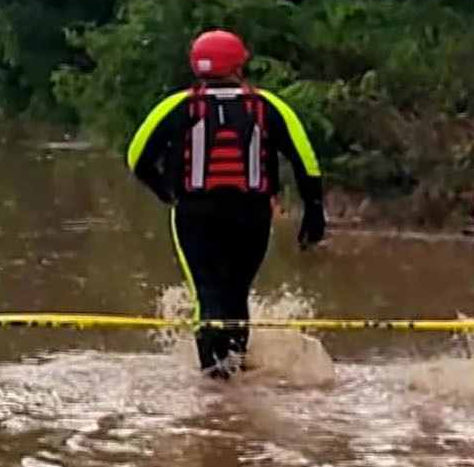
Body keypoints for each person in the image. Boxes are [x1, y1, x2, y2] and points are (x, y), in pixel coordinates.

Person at [127, 30, 326, 379]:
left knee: (206, 295)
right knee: (236, 293)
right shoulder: (269, 106)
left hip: (194, 213)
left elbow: (137, 158)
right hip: (251, 214)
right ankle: (234, 378)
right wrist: (313, 210)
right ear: (238, 65)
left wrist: (166, 193)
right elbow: (305, 161)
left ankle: (214, 388)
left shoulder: (176, 107)